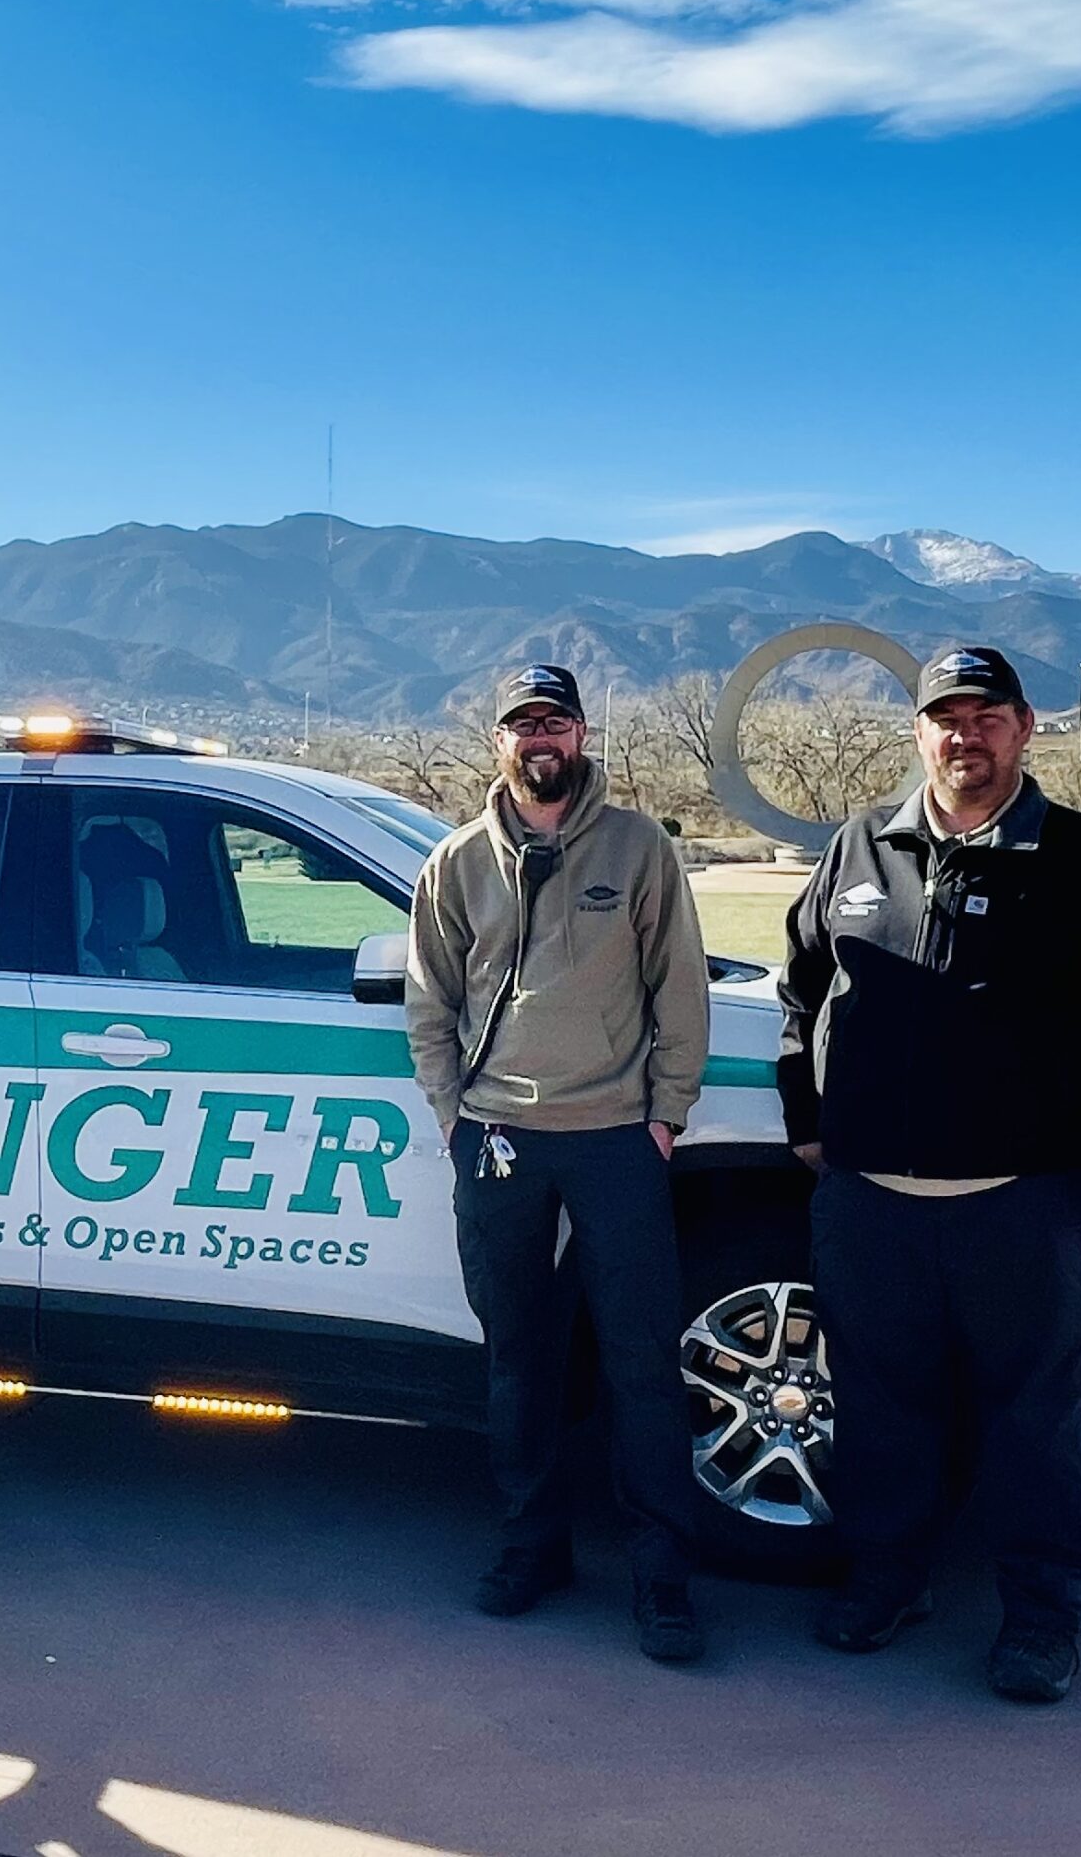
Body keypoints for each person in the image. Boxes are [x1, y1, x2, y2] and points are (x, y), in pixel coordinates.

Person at [778, 644, 1081, 1704]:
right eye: (945, 717)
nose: (964, 735)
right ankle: (888, 1580)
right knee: (880, 1407)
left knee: (1039, 1422)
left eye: (986, 715)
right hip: (872, 1202)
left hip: (1032, 1200)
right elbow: (802, 987)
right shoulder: (859, 847)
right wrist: (809, 1122)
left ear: (1023, 726)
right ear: (918, 731)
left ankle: (1041, 1617)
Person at [406, 662, 713, 1662]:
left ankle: (662, 1574)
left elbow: (678, 985)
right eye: (522, 724)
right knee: (517, 1354)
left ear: (581, 735)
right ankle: (531, 1544)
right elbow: (429, 999)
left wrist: (665, 1114)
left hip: (616, 1136)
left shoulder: (637, 848)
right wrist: (453, 1116)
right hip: (498, 1139)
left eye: (555, 722)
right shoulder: (457, 861)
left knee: (639, 1358)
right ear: (499, 741)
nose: (540, 738)